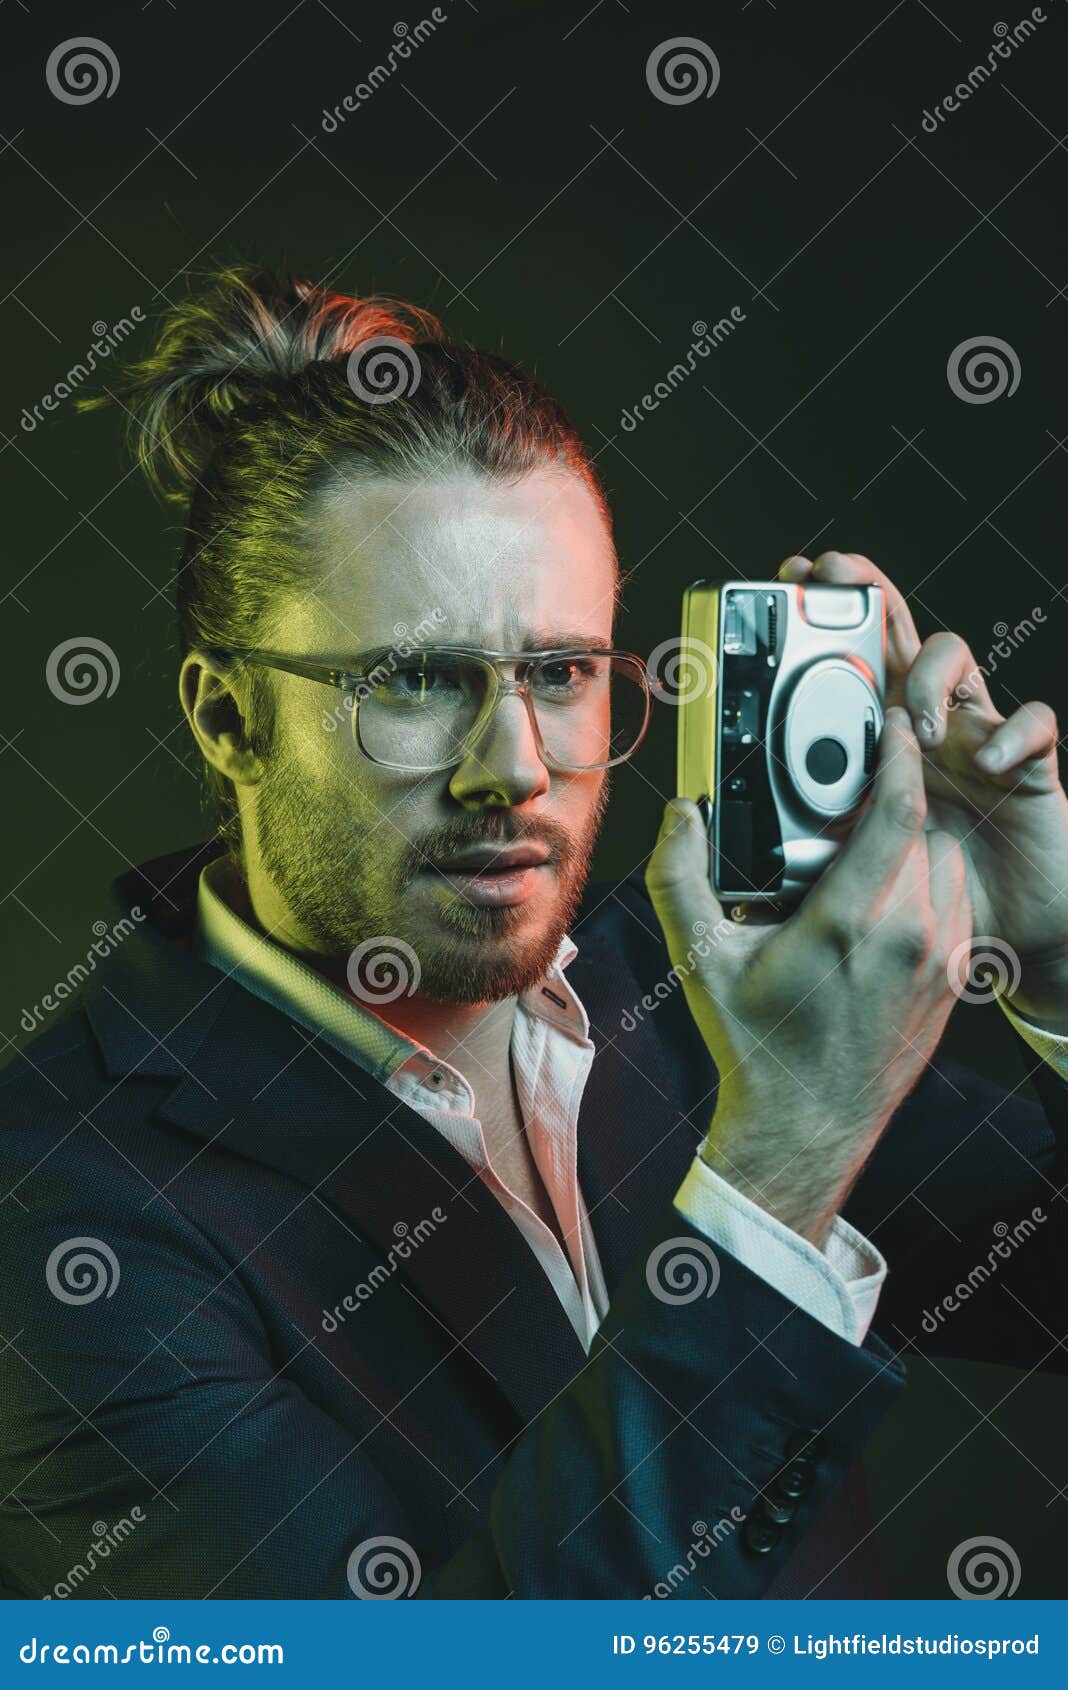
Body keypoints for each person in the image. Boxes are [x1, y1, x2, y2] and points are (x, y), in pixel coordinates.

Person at [1, 267, 1065, 1601]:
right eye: (414, 679)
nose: (510, 766)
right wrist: (781, 1162)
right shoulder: (62, 1214)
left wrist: (1056, 963)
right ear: (226, 716)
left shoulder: (689, 983)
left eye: (559, 672)